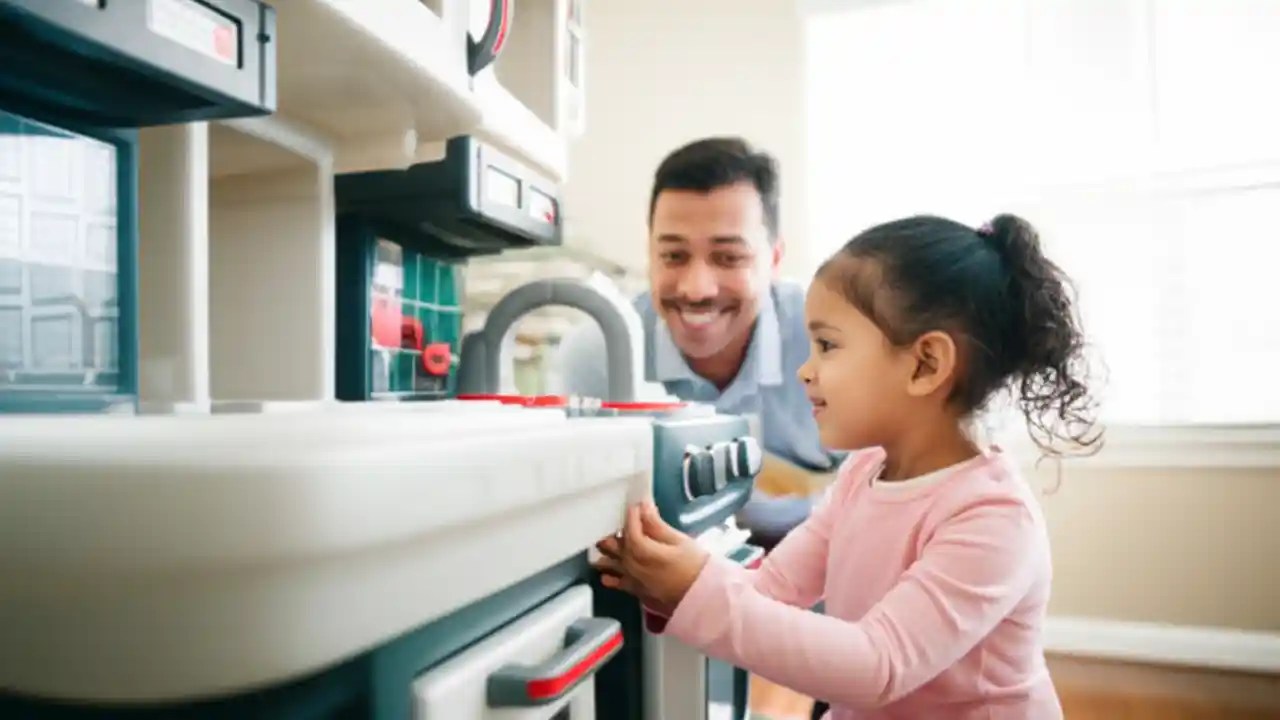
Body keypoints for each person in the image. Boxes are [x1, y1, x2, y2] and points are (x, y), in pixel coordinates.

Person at [592, 213, 1103, 719]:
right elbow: (773, 589)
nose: (805, 370)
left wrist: (696, 589)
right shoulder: (863, 474)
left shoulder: (992, 518)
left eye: (828, 346)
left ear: (926, 364)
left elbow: (876, 666)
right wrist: (675, 579)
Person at [556, 136, 842, 547]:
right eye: (674, 256)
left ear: (774, 260)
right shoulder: (598, 354)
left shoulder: (830, 340)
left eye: (728, 258)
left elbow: (885, 501)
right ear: (650, 254)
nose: (696, 289)